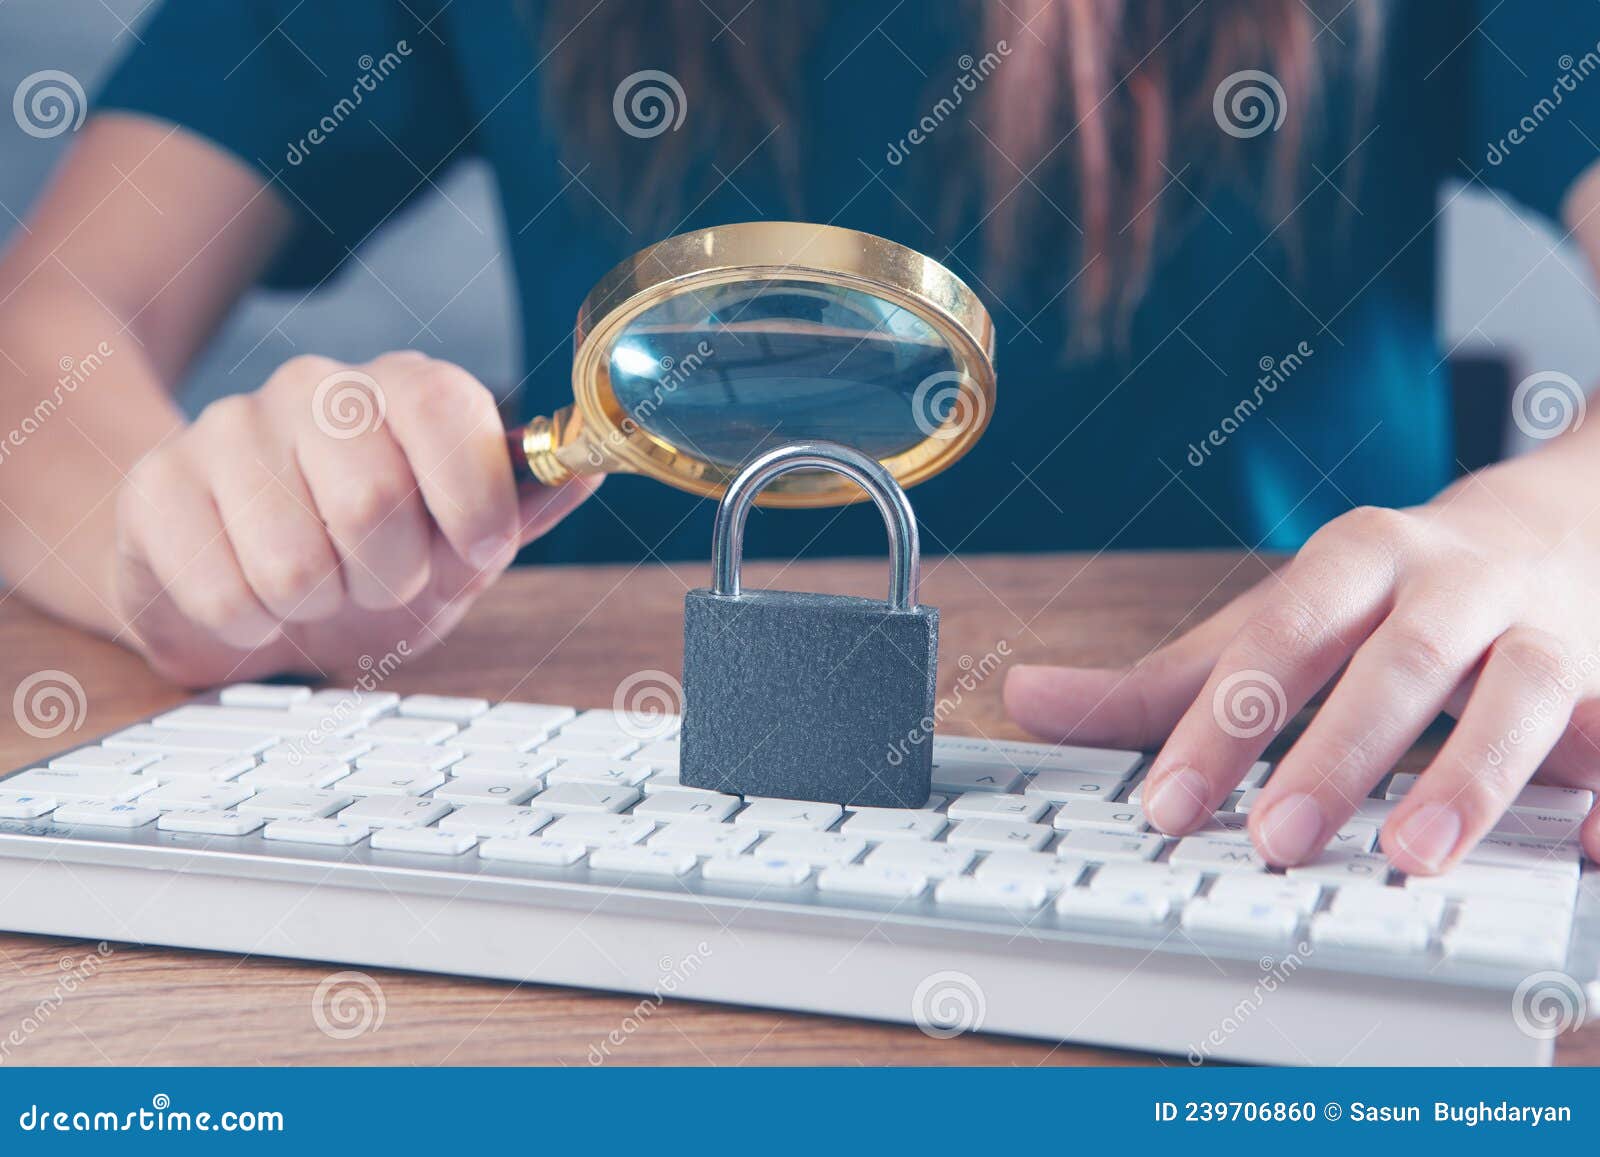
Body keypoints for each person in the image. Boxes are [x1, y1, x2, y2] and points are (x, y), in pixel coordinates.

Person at [2, 1, 1598, 874]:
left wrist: (1554, 527)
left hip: (1285, 784)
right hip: (621, 817)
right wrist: (181, 541)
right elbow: (43, 335)